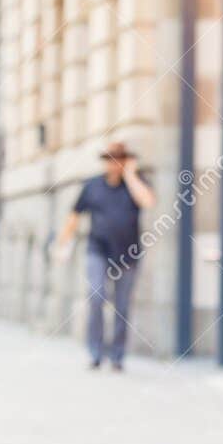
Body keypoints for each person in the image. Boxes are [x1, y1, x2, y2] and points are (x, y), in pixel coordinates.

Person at [54, 141, 155, 371]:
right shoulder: (92, 186)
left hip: (128, 254)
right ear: (105, 162)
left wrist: (130, 176)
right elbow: (74, 216)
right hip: (98, 250)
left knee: (122, 306)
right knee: (96, 296)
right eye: (111, 159)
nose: (115, 164)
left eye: (121, 159)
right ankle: (95, 352)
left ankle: (117, 356)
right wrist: (63, 245)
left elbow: (148, 201)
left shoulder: (137, 183)